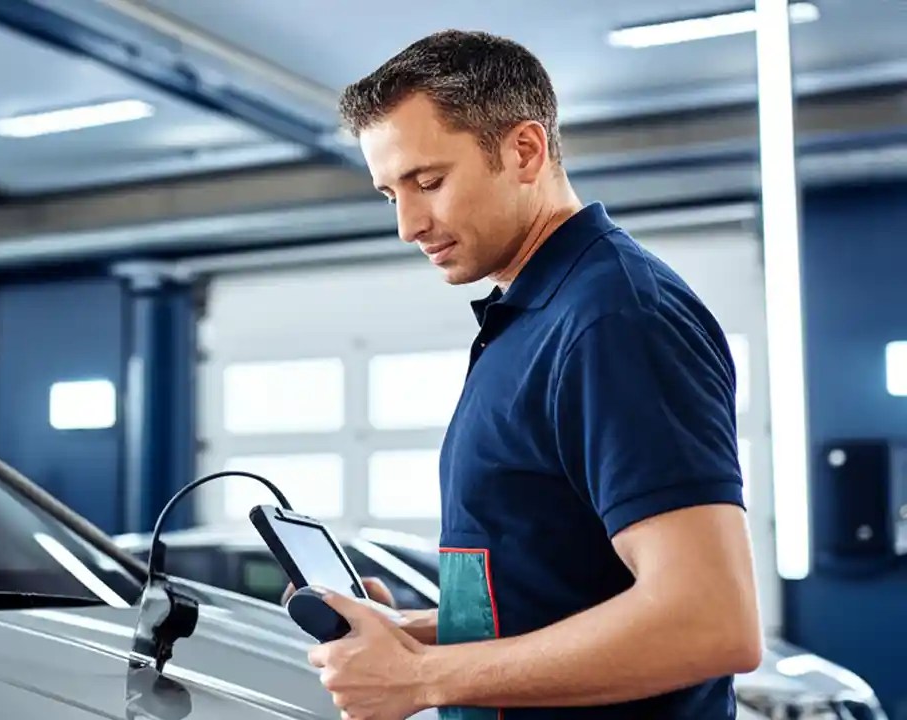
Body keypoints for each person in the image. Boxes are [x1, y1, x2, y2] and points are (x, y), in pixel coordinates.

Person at [293, 29, 762, 720]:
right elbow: (555, 591)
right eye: (391, 194)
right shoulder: (533, 317)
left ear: (524, 151)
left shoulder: (614, 320)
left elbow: (709, 620)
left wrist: (422, 680)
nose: (408, 225)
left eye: (428, 182)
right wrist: (412, 636)